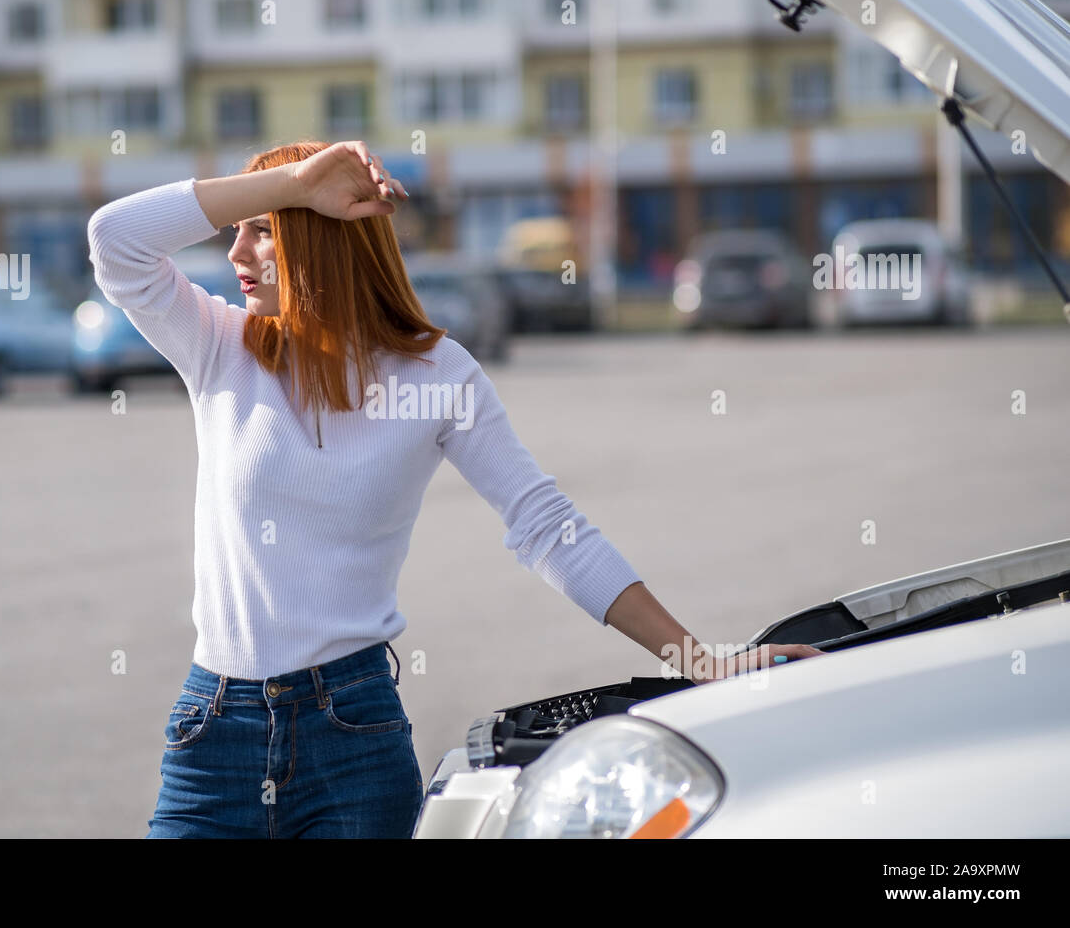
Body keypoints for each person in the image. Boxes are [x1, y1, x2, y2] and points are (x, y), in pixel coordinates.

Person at [86, 139, 824, 839]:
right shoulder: (219, 346)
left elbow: (545, 525)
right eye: (236, 230)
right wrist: (289, 183)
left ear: (322, 238)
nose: (235, 252)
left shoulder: (437, 377)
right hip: (216, 729)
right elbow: (115, 241)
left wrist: (702, 661)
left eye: (261, 232)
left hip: (353, 735)